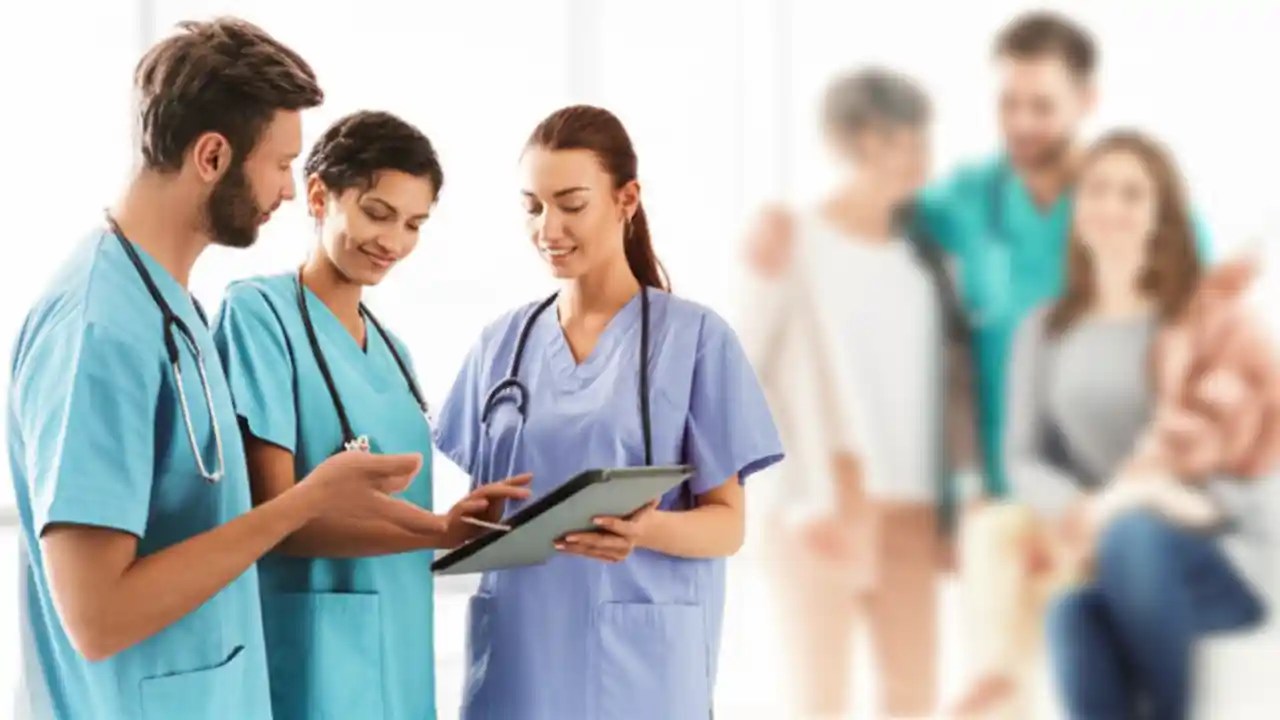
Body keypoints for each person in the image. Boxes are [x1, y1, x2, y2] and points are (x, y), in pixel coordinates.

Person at [7, 18, 430, 720]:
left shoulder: (173, 311)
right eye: (280, 164)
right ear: (212, 156)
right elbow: (97, 615)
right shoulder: (97, 328)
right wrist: (306, 501)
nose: (291, 191)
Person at [432, 104, 784, 720]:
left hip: (640, 667)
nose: (549, 228)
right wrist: (460, 526)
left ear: (626, 199)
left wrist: (645, 531)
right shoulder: (502, 343)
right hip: (518, 656)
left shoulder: (695, 339)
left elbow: (728, 525)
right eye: (533, 206)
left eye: (571, 204)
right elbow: (487, 513)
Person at [211, 110, 532, 720]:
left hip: (403, 646)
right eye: (377, 214)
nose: (393, 242)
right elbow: (273, 518)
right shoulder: (258, 316)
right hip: (311, 658)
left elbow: (397, 522)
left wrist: (457, 526)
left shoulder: (393, 352)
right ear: (318, 195)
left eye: (414, 224)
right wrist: (436, 530)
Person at [965, 132, 1267, 719]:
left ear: (1160, 217)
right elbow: (1022, 457)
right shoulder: (1045, 330)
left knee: (1135, 535)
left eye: (1133, 194)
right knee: (1072, 613)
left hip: (1211, 550)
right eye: (1099, 190)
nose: (1112, 206)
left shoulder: (1200, 322)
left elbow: (1240, 457)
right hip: (1099, 547)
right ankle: (997, 674)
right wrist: (1083, 509)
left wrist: (1139, 503)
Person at [738, 68, 977, 718]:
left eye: (919, 138)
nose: (920, 155)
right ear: (859, 141)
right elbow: (743, 379)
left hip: (914, 510)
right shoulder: (794, 243)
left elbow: (955, 388)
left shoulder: (931, 259)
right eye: (903, 138)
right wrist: (798, 499)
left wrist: (956, 510)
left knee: (913, 697)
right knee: (820, 700)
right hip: (825, 502)